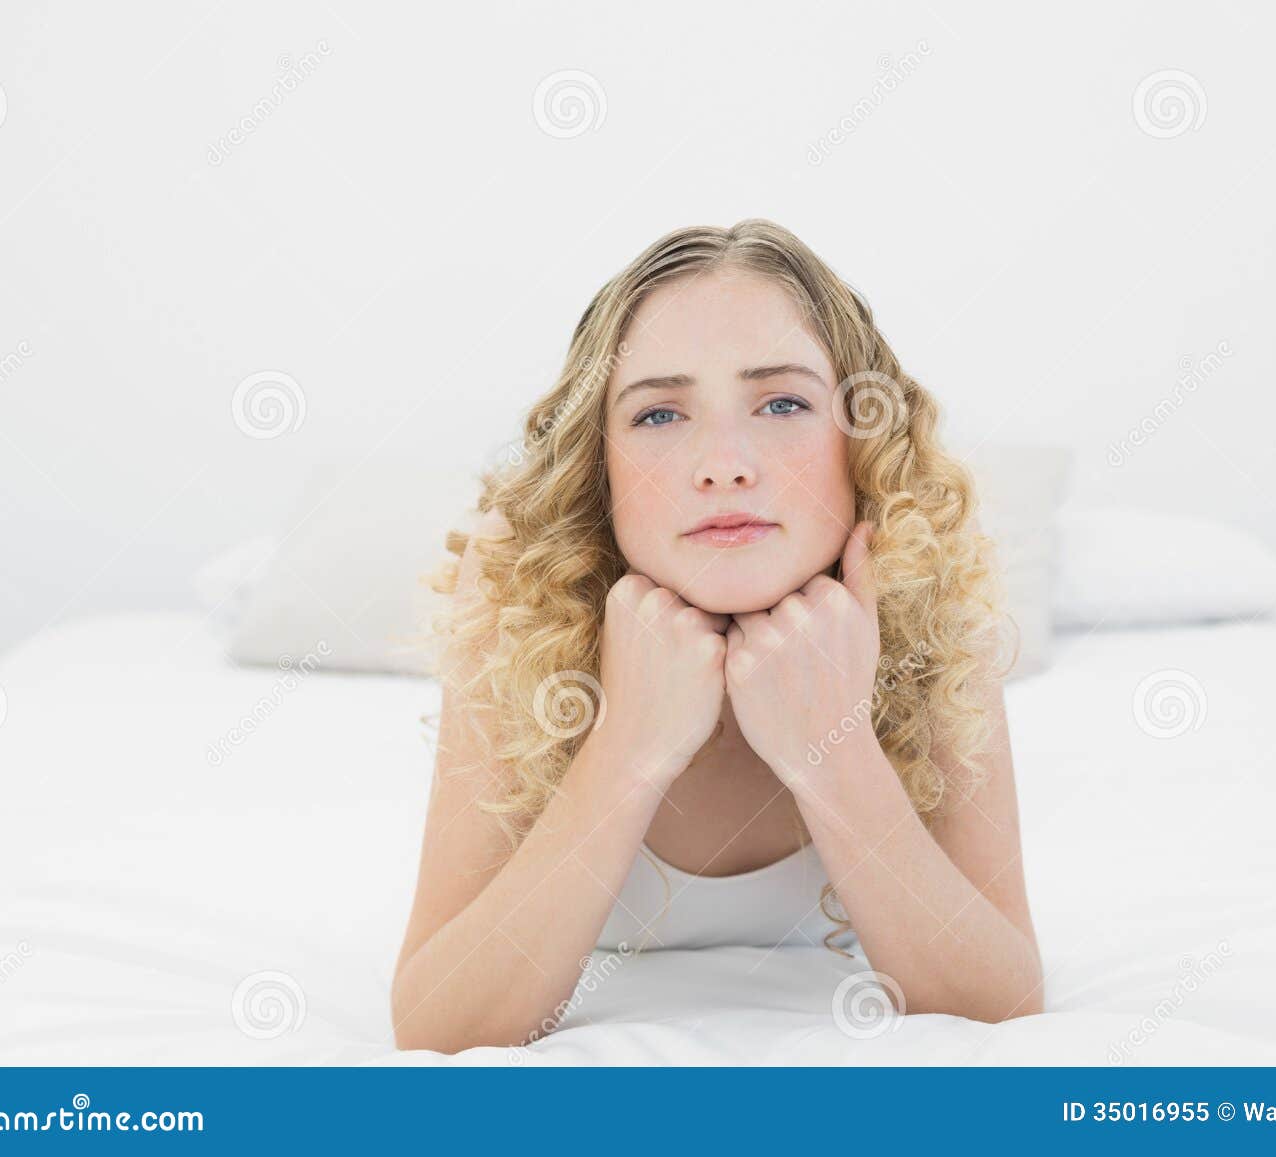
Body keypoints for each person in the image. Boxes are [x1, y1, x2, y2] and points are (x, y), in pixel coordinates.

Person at [391, 218, 1043, 1054]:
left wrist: (830, 752)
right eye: (660, 413)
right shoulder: (517, 586)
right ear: (601, 463)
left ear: (861, 440)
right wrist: (628, 747)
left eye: (782, 403)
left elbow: (1003, 1011)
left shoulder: (930, 589)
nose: (724, 462)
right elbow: (438, 1026)